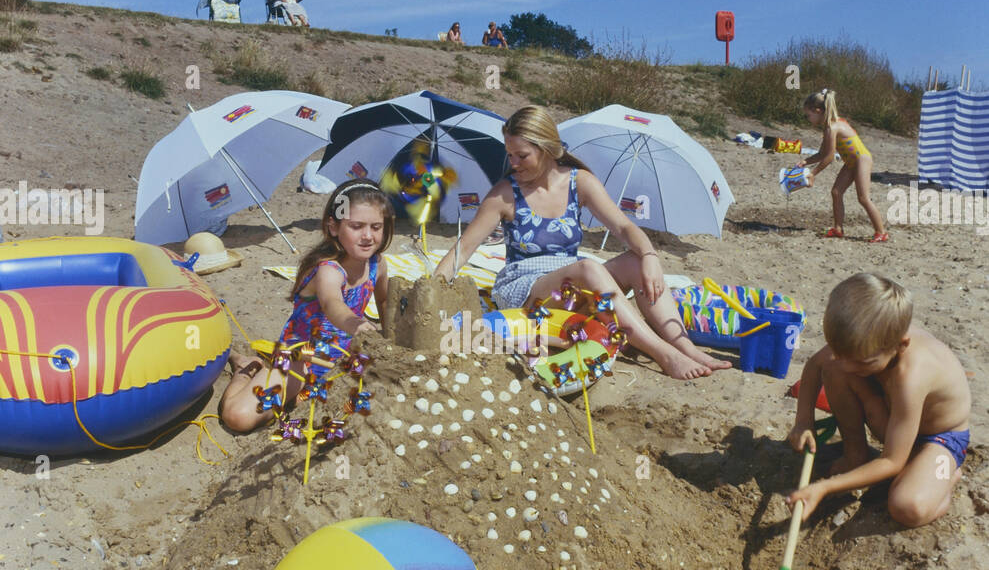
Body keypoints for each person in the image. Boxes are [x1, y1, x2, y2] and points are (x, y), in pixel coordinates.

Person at [433, 105, 730, 381]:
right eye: (509, 155)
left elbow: (625, 226)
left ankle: (685, 346)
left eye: (521, 155)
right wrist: (430, 289)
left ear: (547, 149)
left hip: (575, 286)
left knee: (635, 261)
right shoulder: (505, 194)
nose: (513, 163)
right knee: (589, 267)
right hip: (528, 289)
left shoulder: (579, 182)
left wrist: (650, 256)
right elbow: (464, 249)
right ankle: (663, 354)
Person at [787, 273, 970, 527]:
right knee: (833, 368)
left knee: (908, 507)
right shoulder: (861, 341)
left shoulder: (912, 376)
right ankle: (856, 455)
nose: (849, 367)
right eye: (842, 354)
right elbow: (816, 365)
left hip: (938, 440)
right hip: (897, 422)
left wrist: (825, 488)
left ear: (901, 345)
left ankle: (946, 476)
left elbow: (892, 461)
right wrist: (804, 421)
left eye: (862, 362)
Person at [220, 180, 391, 432]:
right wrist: (357, 324)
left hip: (344, 359)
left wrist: (390, 338)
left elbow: (385, 302)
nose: (368, 236)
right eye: (356, 226)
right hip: (302, 360)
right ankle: (247, 368)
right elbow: (333, 304)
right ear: (333, 227)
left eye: (376, 227)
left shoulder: (377, 263)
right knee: (238, 418)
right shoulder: (328, 270)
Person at [797, 89, 887, 241]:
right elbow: (821, 153)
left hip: (861, 159)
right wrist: (806, 161)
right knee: (836, 192)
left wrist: (813, 173)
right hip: (851, 162)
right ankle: (838, 228)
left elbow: (829, 157)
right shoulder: (830, 127)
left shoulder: (833, 127)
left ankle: (881, 232)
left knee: (863, 198)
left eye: (809, 115)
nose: (808, 119)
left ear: (817, 111)